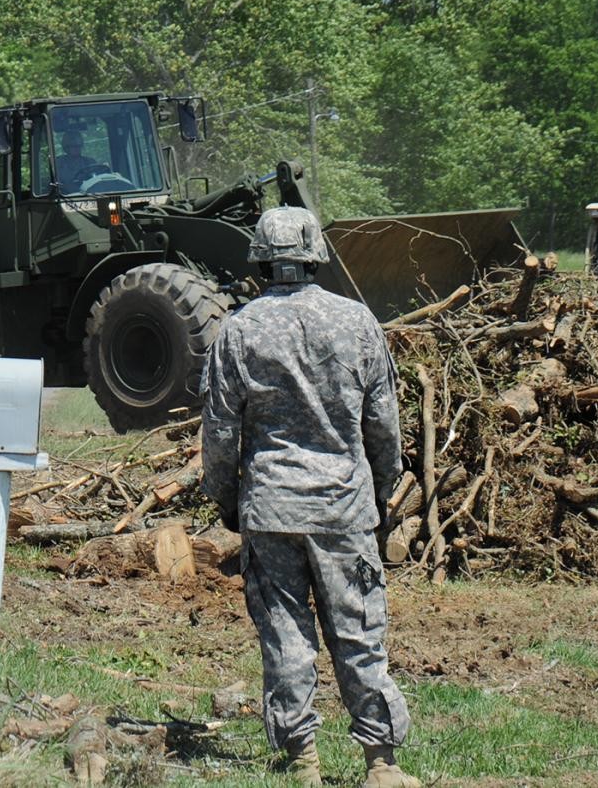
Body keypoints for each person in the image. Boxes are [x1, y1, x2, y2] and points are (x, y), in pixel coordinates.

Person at [201, 207, 418, 788]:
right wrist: (380, 491)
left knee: (285, 634)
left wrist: (227, 500)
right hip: (343, 505)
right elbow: (384, 427)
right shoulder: (358, 322)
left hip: (269, 507)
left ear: (260, 256)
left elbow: (221, 432)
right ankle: (381, 765)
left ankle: (303, 761)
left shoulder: (238, 330)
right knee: (358, 630)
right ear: (316, 252)